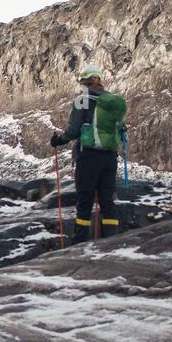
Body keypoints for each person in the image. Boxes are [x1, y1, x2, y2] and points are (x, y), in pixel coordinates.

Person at [50, 65, 125, 241]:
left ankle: (80, 242)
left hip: (89, 156)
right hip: (110, 156)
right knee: (107, 200)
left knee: (85, 199)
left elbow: (74, 130)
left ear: (85, 81)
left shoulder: (83, 100)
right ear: (99, 79)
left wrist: (59, 140)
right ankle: (111, 241)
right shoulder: (112, 101)